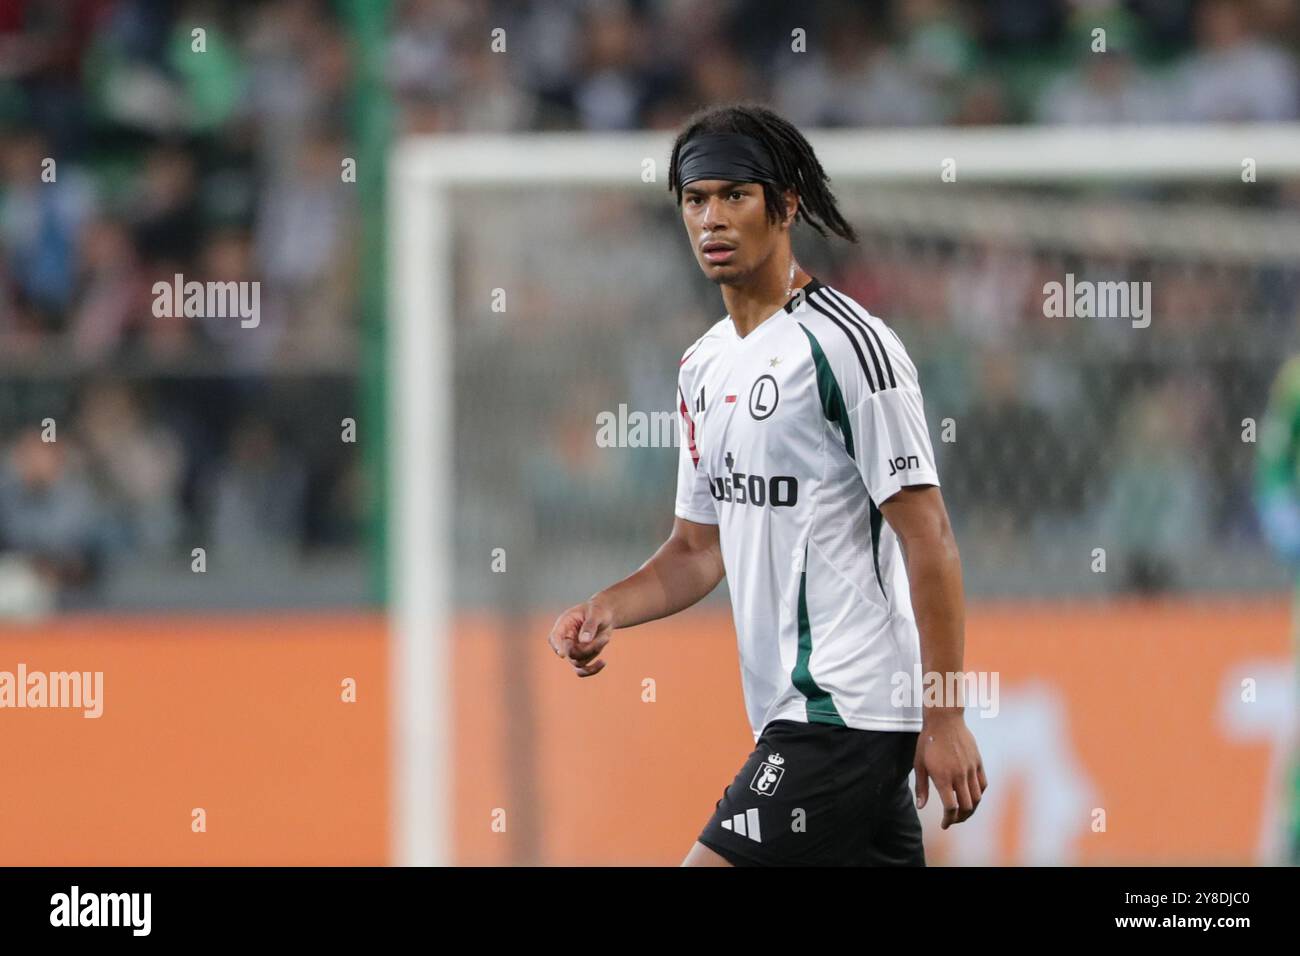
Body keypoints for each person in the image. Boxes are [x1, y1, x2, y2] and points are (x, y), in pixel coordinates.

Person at [546, 103, 986, 866]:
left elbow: (930, 536)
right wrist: (606, 607)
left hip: (843, 714)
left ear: (785, 206)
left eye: (734, 195)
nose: (711, 218)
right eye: (695, 199)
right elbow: (694, 550)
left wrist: (944, 716)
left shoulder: (851, 347)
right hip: (796, 715)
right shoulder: (702, 366)